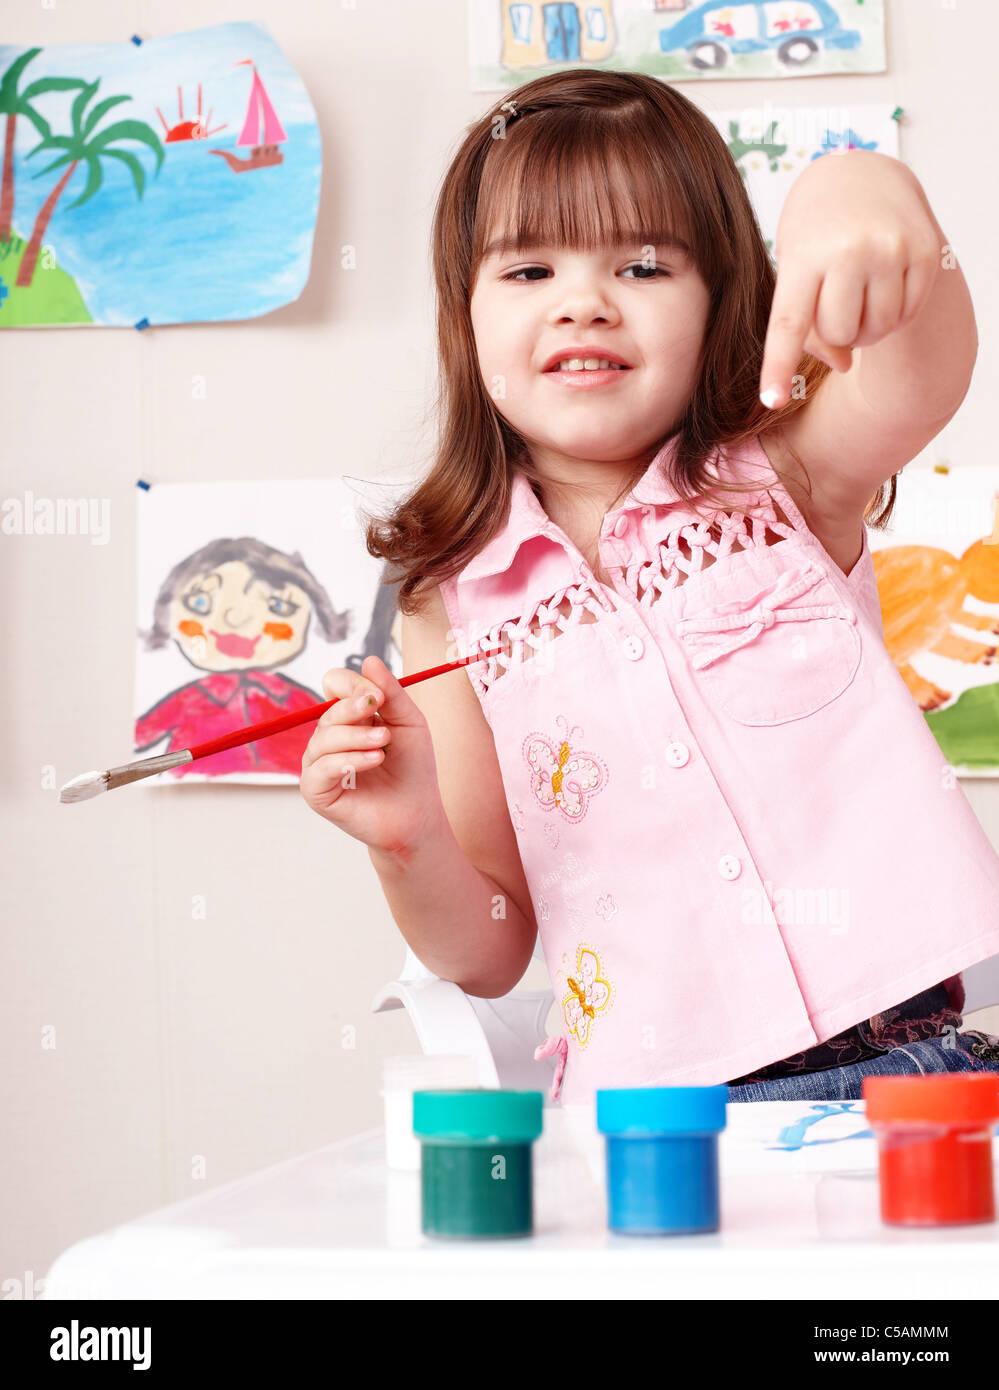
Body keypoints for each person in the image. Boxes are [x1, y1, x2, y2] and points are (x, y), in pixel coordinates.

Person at [300, 70, 999, 1105]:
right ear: (465, 317)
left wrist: (862, 186)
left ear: (722, 295)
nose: (584, 299)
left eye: (641, 264)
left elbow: (920, 371)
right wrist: (408, 838)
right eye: (529, 270)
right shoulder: (446, 597)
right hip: (652, 1119)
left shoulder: (788, 477)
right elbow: (490, 952)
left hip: (906, 1071)